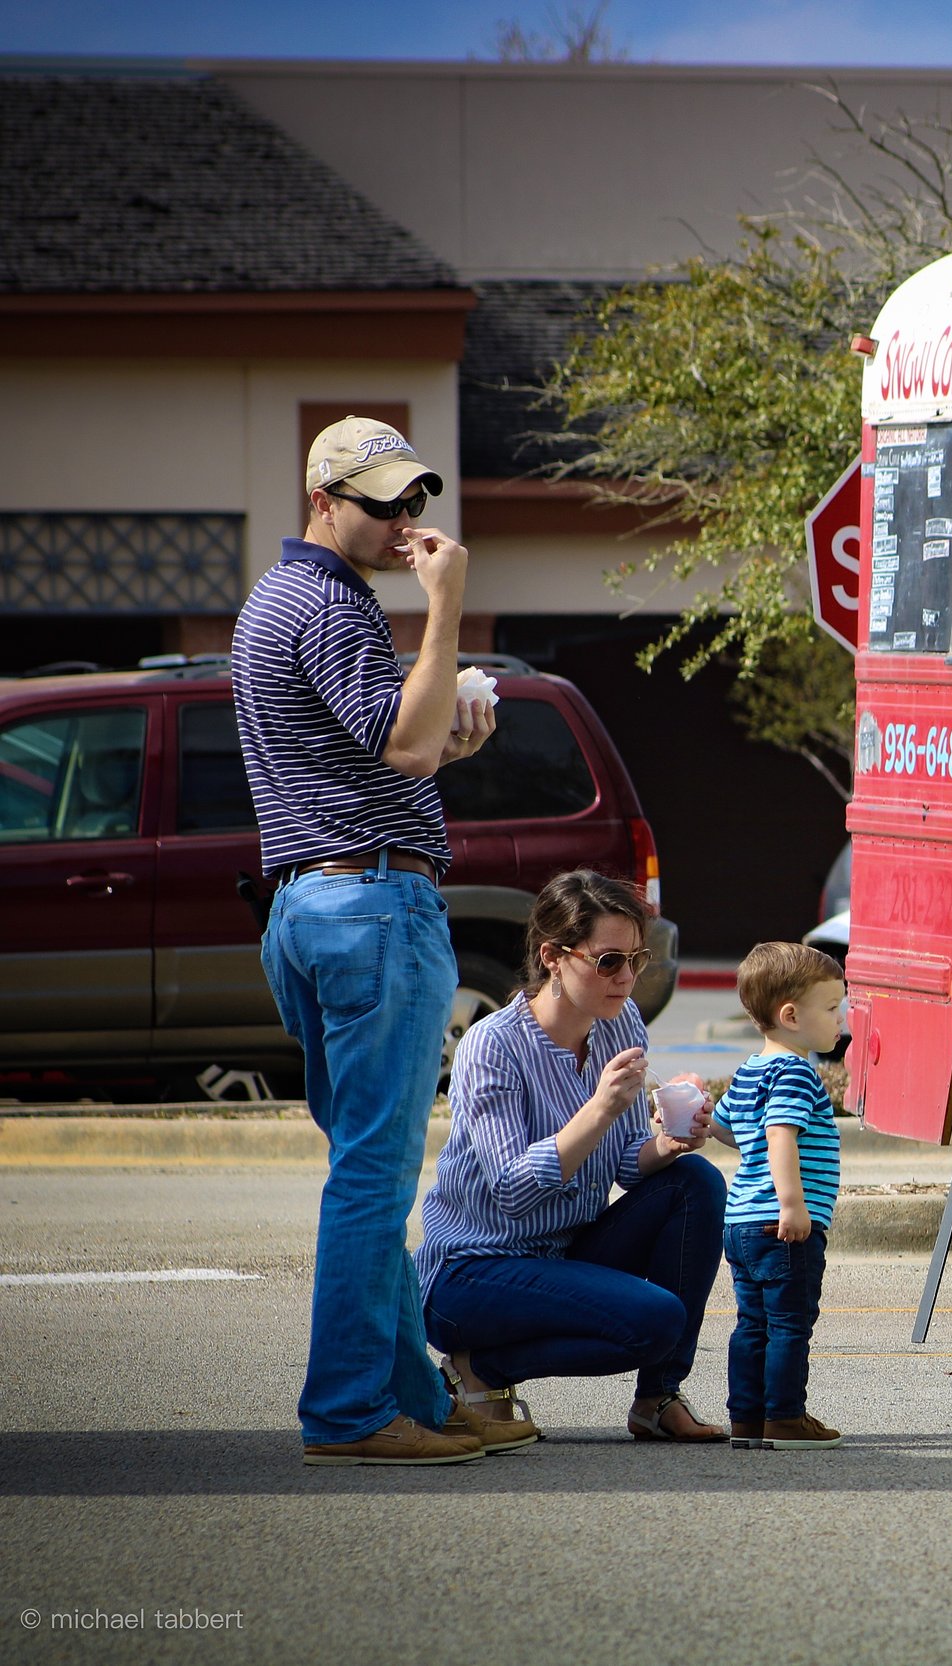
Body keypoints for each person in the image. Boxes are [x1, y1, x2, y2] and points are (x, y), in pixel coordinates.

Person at [235, 415, 497, 1467]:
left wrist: (443, 739)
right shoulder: (337, 608)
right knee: (375, 1181)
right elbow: (404, 739)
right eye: (381, 503)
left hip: (308, 907)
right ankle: (350, 1412)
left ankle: (419, 1400)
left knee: (364, 1165)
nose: (403, 522)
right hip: (371, 910)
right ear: (323, 500)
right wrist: (445, 608)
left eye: (414, 501)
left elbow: (402, 756)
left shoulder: (275, 598)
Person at [415, 870, 730, 1447]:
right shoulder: (492, 1044)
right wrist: (601, 1108)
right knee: (656, 1320)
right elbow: (511, 1189)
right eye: (609, 961)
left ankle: (657, 1399)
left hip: (559, 1253)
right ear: (553, 957)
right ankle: (478, 1371)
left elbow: (625, 1169)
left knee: (695, 1182)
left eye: (637, 958)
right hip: (473, 1272)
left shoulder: (621, 1022)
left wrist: (670, 1142)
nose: (628, 977)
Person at [713, 942, 848, 1449]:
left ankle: (747, 1419)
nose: (842, 1018)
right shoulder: (795, 1071)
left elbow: (726, 1130)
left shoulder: (750, 1070)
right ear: (790, 1015)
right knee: (790, 1324)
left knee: (752, 1324)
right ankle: (785, 1417)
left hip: (742, 1221)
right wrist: (793, 1203)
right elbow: (780, 1134)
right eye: (832, 1008)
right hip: (781, 1223)